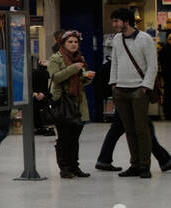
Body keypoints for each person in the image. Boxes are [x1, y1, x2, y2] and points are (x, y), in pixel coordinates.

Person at [109, 7, 159, 178]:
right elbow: (114, 62)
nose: (114, 24)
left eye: (116, 21)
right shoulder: (117, 39)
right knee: (129, 129)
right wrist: (114, 84)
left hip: (138, 90)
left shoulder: (145, 39)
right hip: (120, 90)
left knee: (141, 129)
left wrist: (145, 87)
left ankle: (145, 166)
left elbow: (152, 65)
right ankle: (135, 164)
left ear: (127, 21)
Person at [46, 30, 94, 178]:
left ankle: (74, 166)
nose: (73, 44)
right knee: (64, 137)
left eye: (75, 42)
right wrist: (73, 69)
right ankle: (64, 167)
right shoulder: (55, 58)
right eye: (70, 42)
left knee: (75, 137)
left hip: (78, 101)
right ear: (63, 43)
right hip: (62, 102)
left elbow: (81, 79)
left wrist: (87, 77)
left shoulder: (80, 58)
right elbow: (56, 77)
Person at [95, 111, 171, 173]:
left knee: (117, 127)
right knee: (145, 127)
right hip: (131, 97)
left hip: (123, 96)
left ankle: (104, 159)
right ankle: (164, 160)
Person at [30, 59, 54, 136]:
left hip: (36, 95)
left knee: (37, 111)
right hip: (45, 95)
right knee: (47, 111)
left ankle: (40, 128)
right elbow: (50, 86)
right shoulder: (48, 74)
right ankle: (49, 128)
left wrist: (34, 93)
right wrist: (45, 94)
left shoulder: (33, 73)